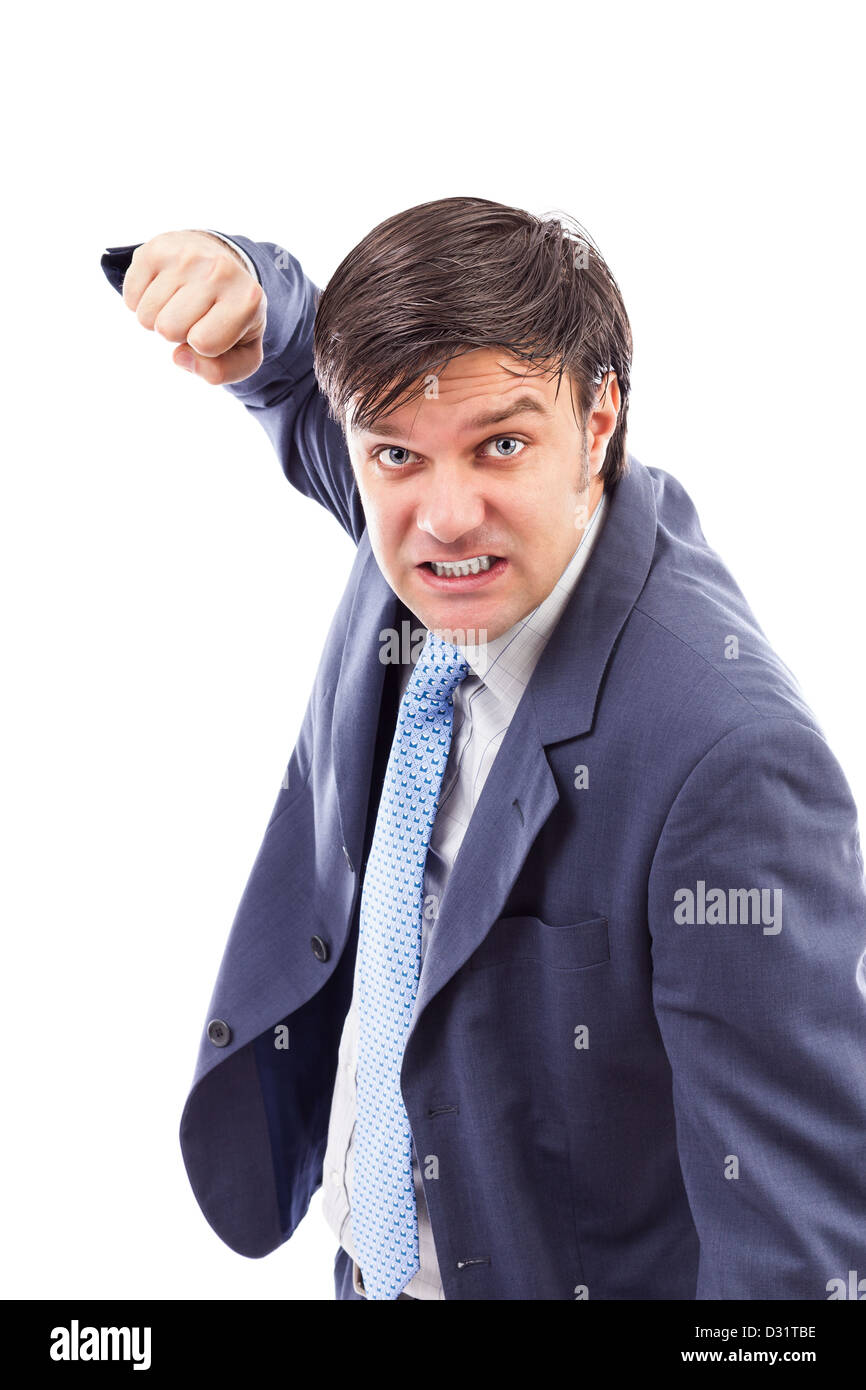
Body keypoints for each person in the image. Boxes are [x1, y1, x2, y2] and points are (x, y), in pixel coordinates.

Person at [101, 197, 866, 1301]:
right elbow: (306, 368)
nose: (447, 516)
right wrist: (248, 283)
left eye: (501, 444)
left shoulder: (730, 764)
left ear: (597, 424)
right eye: (395, 456)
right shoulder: (422, 500)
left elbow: (795, 1262)